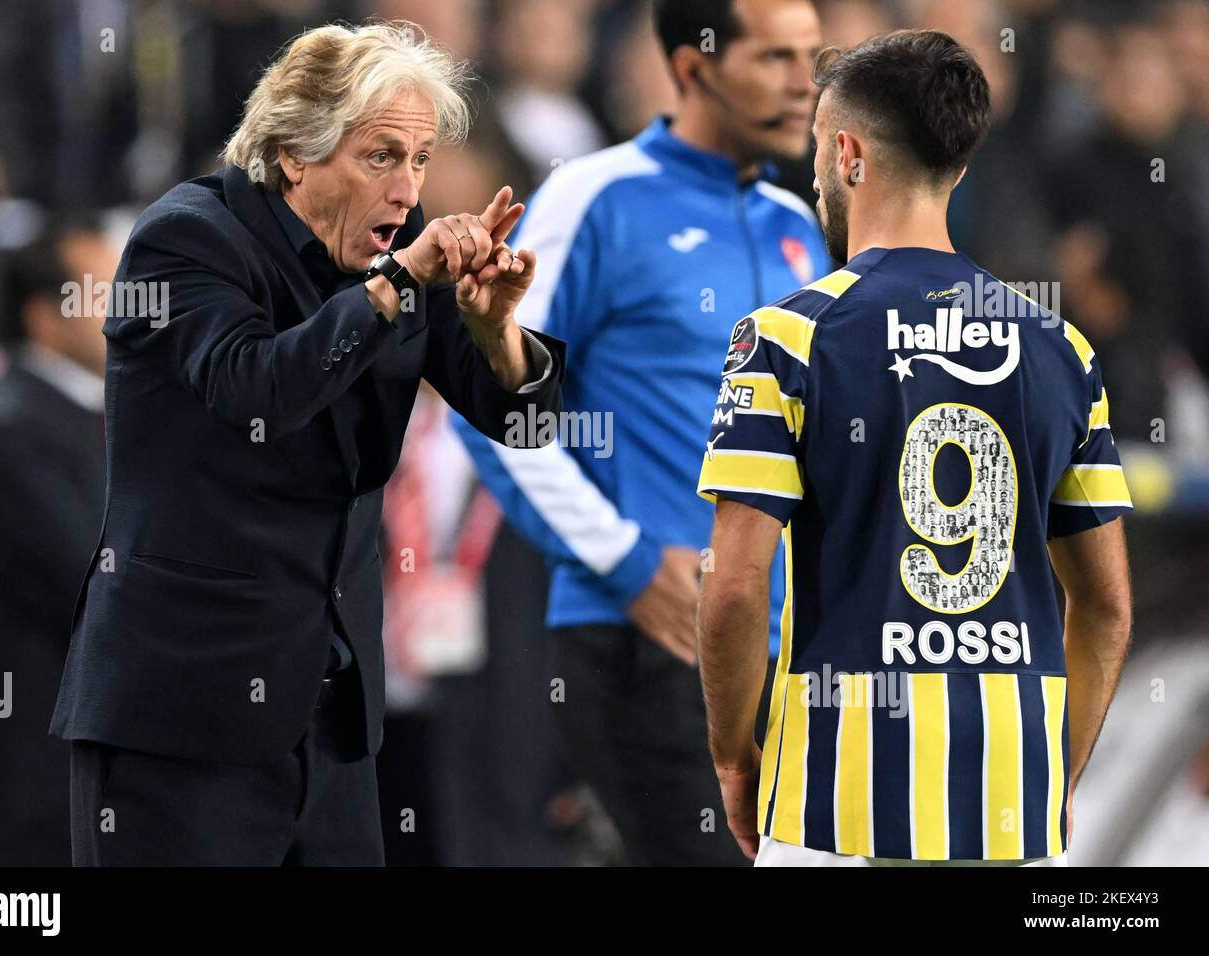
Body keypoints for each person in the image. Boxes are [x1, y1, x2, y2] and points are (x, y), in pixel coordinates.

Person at [50, 21, 565, 866]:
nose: (407, 189)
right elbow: (259, 390)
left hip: (333, 728)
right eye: (381, 157)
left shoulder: (396, 246)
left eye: (422, 159)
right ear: (293, 152)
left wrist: (496, 329)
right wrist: (396, 285)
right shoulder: (184, 239)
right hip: (183, 719)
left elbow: (528, 421)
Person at [696, 30, 1133, 866]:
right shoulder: (1059, 347)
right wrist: (1051, 776)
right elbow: (1108, 608)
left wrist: (732, 753)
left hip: (835, 801)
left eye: (823, 150)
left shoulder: (786, 338)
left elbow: (737, 584)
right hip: (1008, 803)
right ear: (957, 167)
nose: (817, 173)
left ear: (848, 155)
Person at [454, 0, 828, 865]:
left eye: (811, 58)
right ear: (695, 67)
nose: (804, 84)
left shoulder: (797, 224)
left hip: (785, 644)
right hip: (645, 636)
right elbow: (490, 396)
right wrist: (622, 556)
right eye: (774, 58)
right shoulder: (596, 196)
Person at [0, 219, 116, 865]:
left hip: (85, 758)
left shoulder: (97, 416)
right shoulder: (10, 431)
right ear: (45, 318)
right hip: (32, 765)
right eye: (104, 292)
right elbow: (94, 582)